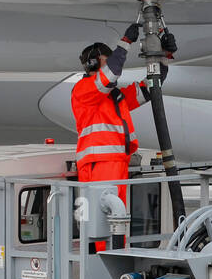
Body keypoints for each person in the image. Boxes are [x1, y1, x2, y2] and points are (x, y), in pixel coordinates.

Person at [71, 22, 175, 205]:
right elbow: (111, 73)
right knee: (104, 220)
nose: (109, 64)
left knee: (117, 220)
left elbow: (149, 89)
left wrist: (164, 58)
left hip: (115, 162)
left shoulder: (112, 96)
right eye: (106, 59)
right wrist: (125, 42)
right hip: (100, 163)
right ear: (93, 63)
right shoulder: (83, 90)